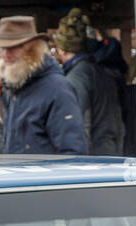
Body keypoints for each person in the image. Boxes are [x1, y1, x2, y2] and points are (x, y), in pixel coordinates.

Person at [0, 16, 86, 155]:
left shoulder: (57, 89)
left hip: (45, 175)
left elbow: (72, 151)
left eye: (14, 48)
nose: (5, 55)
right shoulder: (15, 86)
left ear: (33, 48)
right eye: (2, 48)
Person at [53, 8, 124, 156]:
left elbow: (78, 126)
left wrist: (77, 160)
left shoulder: (75, 78)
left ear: (63, 50)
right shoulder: (100, 72)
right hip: (111, 150)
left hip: (95, 160)